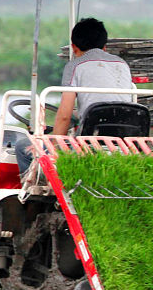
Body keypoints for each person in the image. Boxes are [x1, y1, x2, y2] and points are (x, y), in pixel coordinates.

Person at [15, 18, 133, 179]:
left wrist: (54, 147)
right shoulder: (122, 65)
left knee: (22, 146)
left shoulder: (75, 66)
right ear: (105, 46)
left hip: (88, 146)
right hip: (122, 145)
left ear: (74, 48)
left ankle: (41, 188)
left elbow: (64, 116)